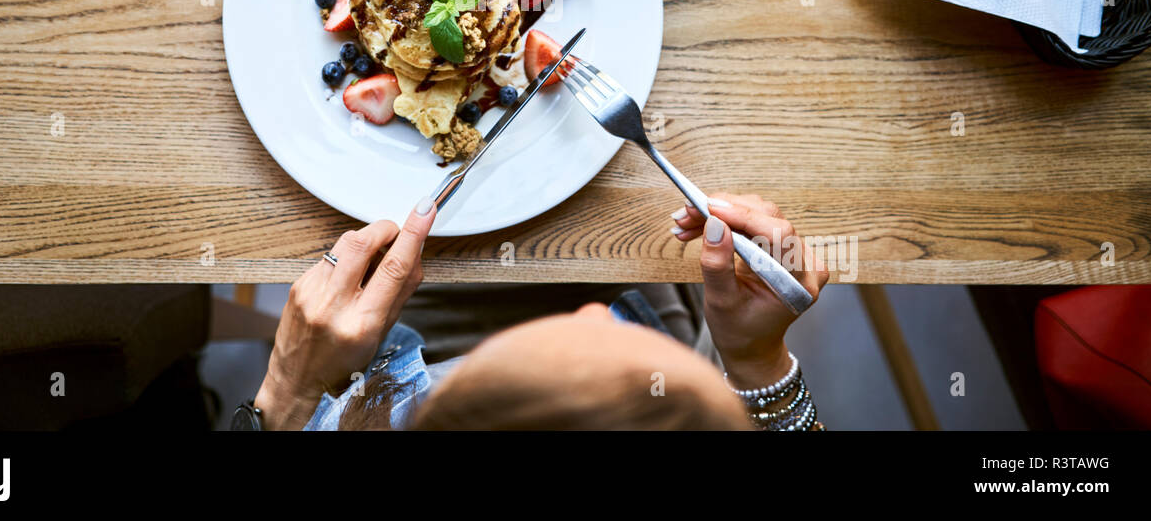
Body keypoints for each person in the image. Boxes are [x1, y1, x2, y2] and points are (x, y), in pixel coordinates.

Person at [238, 192, 827, 430]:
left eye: (580, 352)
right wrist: (757, 363)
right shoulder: (666, 366)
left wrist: (287, 390)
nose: (593, 312)